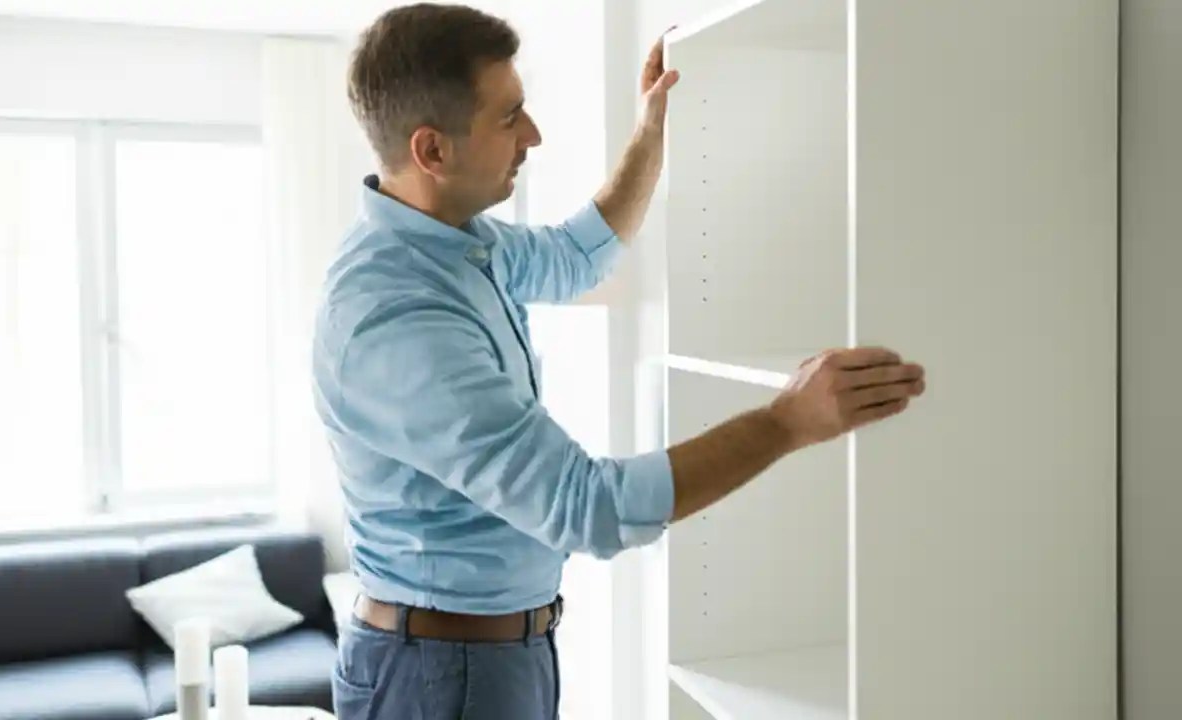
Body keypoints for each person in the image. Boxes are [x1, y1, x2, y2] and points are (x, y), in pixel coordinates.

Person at [312, 4, 926, 719]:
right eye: (509, 117)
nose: (533, 134)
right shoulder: (398, 316)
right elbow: (589, 507)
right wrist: (788, 422)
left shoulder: (458, 243)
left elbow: (575, 257)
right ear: (433, 151)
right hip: (440, 675)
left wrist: (650, 135)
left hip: (484, 655)